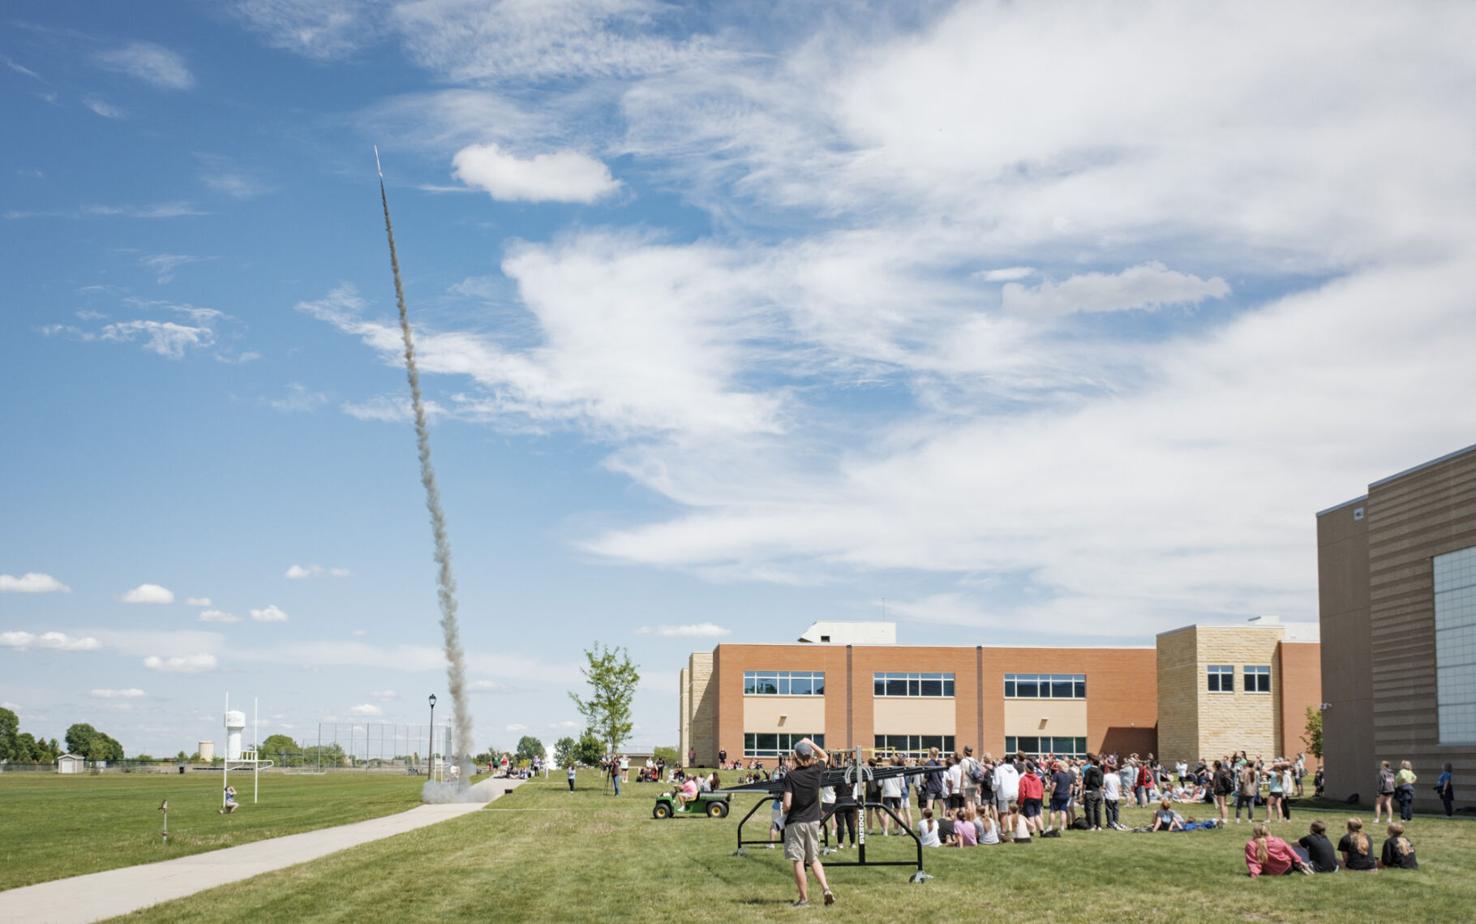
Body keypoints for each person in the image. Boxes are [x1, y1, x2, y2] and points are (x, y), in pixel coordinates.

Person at [781, 738, 834, 908]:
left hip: (796, 821)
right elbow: (825, 755)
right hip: (813, 820)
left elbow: (787, 804)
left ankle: (803, 899)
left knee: (798, 860)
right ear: (810, 756)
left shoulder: (791, 776)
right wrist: (810, 742)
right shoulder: (816, 771)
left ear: (795, 757)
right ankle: (826, 889)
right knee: (814, 858)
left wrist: (784, 810)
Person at [1245, 822, 1313, 877]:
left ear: (1255, 833)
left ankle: (1300, 866)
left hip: (1269, 872)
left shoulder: (1251, 844)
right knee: (1292, 852)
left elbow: (1252, 861)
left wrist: (1254, 873)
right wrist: (1300, 861)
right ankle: (1301, 867)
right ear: (1269, 831)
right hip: (1287, 869)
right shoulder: (1278, 840)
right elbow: (1291, 852)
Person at [1017, 762, 1045, 835]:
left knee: (1030, 815)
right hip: (1038, 798)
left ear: (1026, 769)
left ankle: (1032, 831)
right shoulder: (1038, 779)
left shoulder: (1023, 779)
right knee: (1037, 814)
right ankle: (1041, 830)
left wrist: (1020, 802)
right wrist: (1041, 798)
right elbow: (1042, 790)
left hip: (1028, 798)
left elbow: (1021, 792)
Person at [993, 753, 1020, 819]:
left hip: (1003, 794)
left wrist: (993, 789)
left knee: (1003, 813)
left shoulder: (998, 769)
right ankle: (1014, 828)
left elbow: (996, 783)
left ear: (1004, 760)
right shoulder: (1015, 771)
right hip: (1014, 793)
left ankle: (1004, 829)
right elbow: (1018, 782)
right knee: (1013, 813)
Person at [1081, 754, 1104, 831]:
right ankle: (1099, 826)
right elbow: (1101, 784)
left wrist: (1082, 793)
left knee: (1090, 810)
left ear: (1092, 762)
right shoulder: (1100, 771)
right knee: (1098, 810)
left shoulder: (1088, 770)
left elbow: (1085, 783)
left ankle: (1091, 826)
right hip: (1098, 792)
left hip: (1090, 792)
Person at [1049, 761, 1073, 833]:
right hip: (1065, 795)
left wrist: (1050, 794)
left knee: (1052, 811)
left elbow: (1053, 785)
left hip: (1057, 795)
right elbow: (1071, 786)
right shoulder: (1069, 776)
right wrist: (1069, 794)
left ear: (1060, 767)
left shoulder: (1057, 775)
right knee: (1063, 811)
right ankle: (1062, 826)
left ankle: (1050, 826)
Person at [1102, 757, 1124, 829]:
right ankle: (1115, 823)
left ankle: (1110, 824)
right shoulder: (1117, 777)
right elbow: (1119, 787)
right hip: (1116, 796)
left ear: (1109, 769)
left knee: (1109, 811)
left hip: (1109, 796)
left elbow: (1103, 786)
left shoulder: (1106, 776)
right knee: (1116, 811)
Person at [1212, 760, 1233, 824]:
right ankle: (1225, 817)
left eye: (1213, 765)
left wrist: (1214, 789)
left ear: (1215, 766)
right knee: (1224, 804)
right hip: (1225, 789)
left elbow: (1215, 782)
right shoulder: (1223, 772)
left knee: (1221, 805)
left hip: (1220, 789)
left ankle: (1224, 818)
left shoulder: (1216, 773)